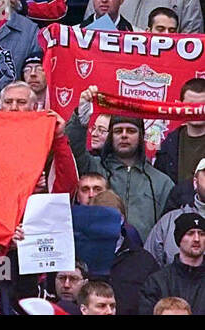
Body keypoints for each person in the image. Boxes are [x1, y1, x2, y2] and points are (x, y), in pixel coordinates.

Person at [67, 86, 176, 239]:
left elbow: (168, 231)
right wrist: (80, 117)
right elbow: (72, 150)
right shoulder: (94, 168)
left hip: (141, 258)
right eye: (118, 131)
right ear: (111, 136)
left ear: (141, 136)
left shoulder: (162, 183)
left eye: (131, 131)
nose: (124, 136)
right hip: (98, 251)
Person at [139, 212, 205, 313]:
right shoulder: (157, 282)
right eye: (190, 233)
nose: (197, 239)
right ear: (179, 238)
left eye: (201, 234)